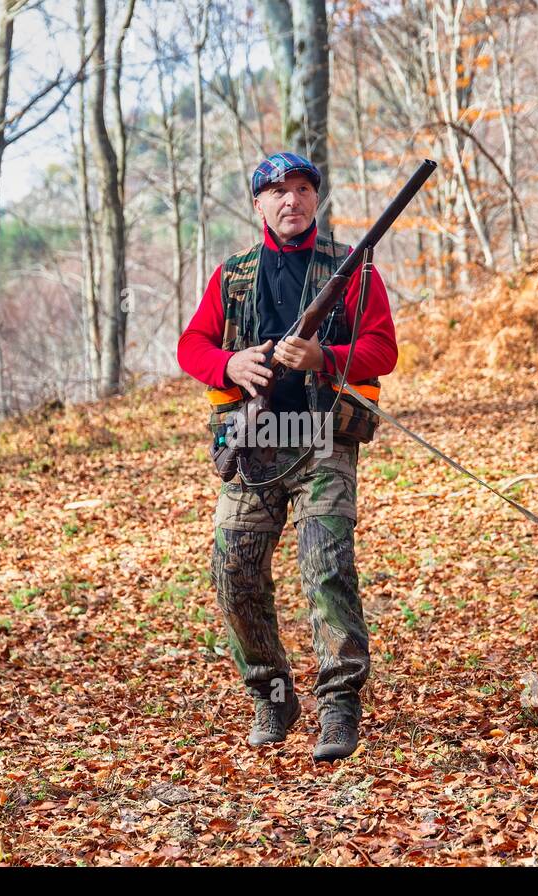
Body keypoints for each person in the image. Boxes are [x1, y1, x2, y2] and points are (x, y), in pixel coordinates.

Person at [176, 151, 398, 761]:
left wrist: (325, 359)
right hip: (251, 446)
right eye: (277, 192)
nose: (291, 201)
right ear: (258, 205)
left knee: (326, 569)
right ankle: (273, 693)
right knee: (234, 571)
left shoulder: (351, 270)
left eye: (302, 190)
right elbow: (190, 344)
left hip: (324, 438)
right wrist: (227, 363)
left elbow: (383, 348)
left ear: (314, 200)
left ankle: (339, 706)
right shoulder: (233, 276)